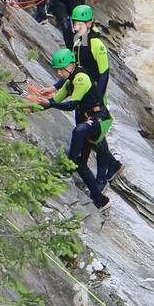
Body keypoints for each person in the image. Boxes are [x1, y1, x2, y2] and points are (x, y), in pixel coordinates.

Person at [41, 46, 116, 209]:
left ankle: (68, 167)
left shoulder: (81, 79)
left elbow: (70, 105)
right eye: (57, 71)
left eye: (60, 70)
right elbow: (55, 100)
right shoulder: (70, 81)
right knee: (81, 163)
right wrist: (35, 106)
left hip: (98, 120)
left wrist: (51, 104)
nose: (58, 74)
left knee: (79, 131)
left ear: (69, 66)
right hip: (88, 122)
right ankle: (101, 199)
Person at [71, 4, 123, 182]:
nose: (77, 27)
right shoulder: (80, 40)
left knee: (96, 137)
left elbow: (104, 73)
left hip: (94, 96)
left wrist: (98, 99)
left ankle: (102, 177)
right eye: (75, 23)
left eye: (81, 23)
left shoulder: (96, 43)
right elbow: (77, 67)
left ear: (90, 23)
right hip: (84, 94)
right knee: (89, 134)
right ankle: (112, 164)